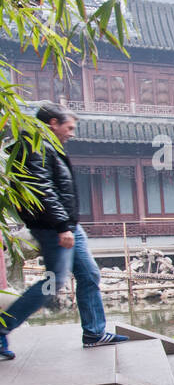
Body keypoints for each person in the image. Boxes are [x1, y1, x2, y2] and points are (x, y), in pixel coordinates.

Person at [0, 103, 129, 357]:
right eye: (69, 127)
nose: (72, 133)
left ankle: (94, 332)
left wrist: (67, 225)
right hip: (53, 227)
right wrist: (61, 226)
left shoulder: (47, 146)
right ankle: (1, 329)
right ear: (52, 124)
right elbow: (43, 190)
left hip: (68, 225)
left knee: (89, 274)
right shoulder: (34, 146)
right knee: (54, 282)